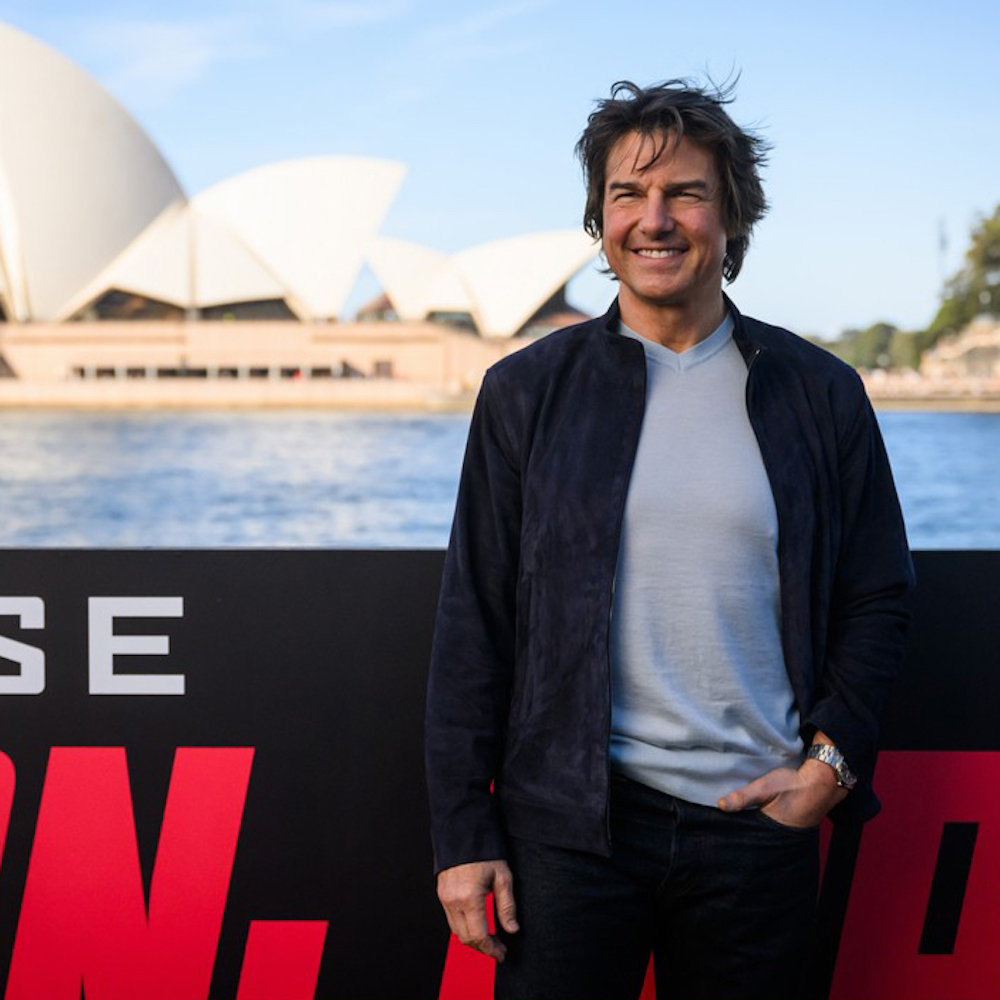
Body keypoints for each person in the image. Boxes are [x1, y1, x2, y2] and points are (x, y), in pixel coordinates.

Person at [425, 79, 913, 1000]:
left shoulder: (819, 391)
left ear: (731, 216)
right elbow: (474, 620)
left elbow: (876, 594)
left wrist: (828, 769)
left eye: (685, 192)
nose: (655, 219)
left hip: (757, 825)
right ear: (598, 221)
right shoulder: (525, 393)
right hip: (570, 833)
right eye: (626, 195)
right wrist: (462, 835)